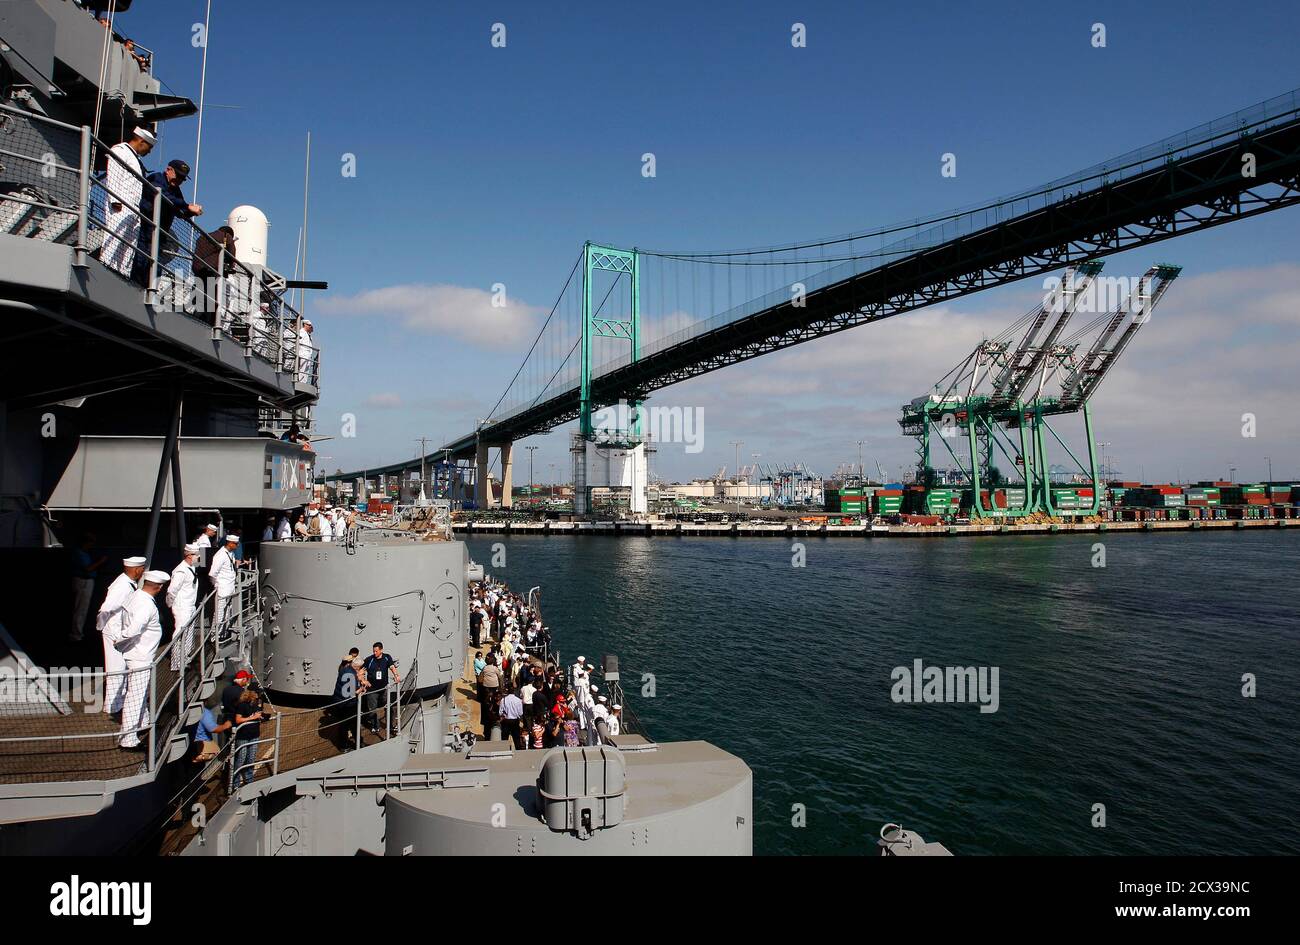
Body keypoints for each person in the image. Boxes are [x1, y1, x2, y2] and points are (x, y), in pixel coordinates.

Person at [115, 570, 170, 748]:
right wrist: (119, 641)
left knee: (142, 691)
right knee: (135, 696)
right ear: (159, 587)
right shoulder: (146, 605)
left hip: (138, 653)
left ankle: (143, 721)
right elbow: (133, 630)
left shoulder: (136, 596)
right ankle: (128, 739)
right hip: (141, 655)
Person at [133, 158, 201, 285]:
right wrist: (187, 206)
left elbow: (179, 210)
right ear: (168, 170)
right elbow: (163, 195)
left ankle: (150, 287)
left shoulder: (175, 189)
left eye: (182, 179)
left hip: (161, 231)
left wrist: (190, 211)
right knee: (143, 258)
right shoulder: (156, 178)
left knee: (156, 261)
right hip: (148, 225)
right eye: (178, 176)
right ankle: (136, 284)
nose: (179, 181)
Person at [100, 127, 155, 276]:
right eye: (149, 147)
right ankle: (106, 266)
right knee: (115, 238)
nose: (149, 152)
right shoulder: (121, 150)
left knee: (129, 245)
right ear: (142, 141)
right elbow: (114, 174)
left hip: (134, 207)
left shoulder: (135, 159)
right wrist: (115, 199)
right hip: (121, 204)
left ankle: (123, 273)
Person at [97, 555, 145, 715]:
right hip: (115, 632)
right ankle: (112, 706)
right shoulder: (122, 586)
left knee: (121, 668)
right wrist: (103, 627)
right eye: (142, 568)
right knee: (115, 669)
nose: (143, 570)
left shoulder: (127, 583)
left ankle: (118, 702)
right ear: (137, 569)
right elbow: (106, 608)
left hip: (120, 632)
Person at [167, 543, 200, 670]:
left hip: (190, 604)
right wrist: (171, 604)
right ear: (188, 555)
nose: (198, 557)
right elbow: (172, 591)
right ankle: (176, 663)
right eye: (196, 555)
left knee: (189, 633)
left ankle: (184, 657)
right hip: (182, 606)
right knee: (180, 633)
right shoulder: (181, 570)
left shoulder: (192, 567)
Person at [70, 532, 107, 642]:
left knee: (81, 609)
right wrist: (101, 561)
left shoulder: (85, 553)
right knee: (80, 609)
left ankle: (77, 633)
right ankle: (76, 635)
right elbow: (88, 569)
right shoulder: (79, 553)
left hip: (85, 581)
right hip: (83, 581)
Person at [360, 642, 399, 736]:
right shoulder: (369, 660)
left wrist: (396, 676)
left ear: (381, 650)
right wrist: (364, 681)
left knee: (389, 707)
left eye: (376, 651)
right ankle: (375, 726)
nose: (374, 653)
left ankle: (389, 725)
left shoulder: (387, 657)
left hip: (384, 688)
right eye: (373, 651)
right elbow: (360, 673)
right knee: (372, 710)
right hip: (372, 690)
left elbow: (392, 667)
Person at [232, 688, 266, 789]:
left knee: (251, 758)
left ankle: (249, 780)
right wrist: (252, 718)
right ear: (252, 693)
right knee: (241, 759)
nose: (258, 695)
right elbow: (238, 720)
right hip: (243, 736)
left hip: (254, 735)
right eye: (257, 693)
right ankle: (235, 783)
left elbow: (257, 714)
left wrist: (261, 717)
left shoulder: (256, 704)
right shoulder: (242, 705)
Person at [331, 648, 362, 748]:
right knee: (352, 724)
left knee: (343, 725)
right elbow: (351, 693)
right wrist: (361, 689)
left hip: (339, 702)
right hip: (348, 704)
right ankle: (354, 744)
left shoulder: (343, 670)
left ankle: (344, 745)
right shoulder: (351, 674)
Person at [209, 533, 240, 634]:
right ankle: (215, 634)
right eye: (236, 543)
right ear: (230, 543)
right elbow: (213, 574)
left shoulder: (231, 553)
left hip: (230, 587)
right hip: (222, 589)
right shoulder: (220, 555)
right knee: (219, 613)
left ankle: (223, 632)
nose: (237, 545)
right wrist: (217, 586)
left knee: (227, 611)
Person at [296, 318, 316, 384]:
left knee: (306, 370)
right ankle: (301, 381)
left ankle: (304, 382)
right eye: (309, 325)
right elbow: (299, 343)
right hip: (303, 353)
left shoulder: (308, 334)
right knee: (302, 369)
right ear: (305, 325)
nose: (310, 327)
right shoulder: (301, 332)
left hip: (308, 354)